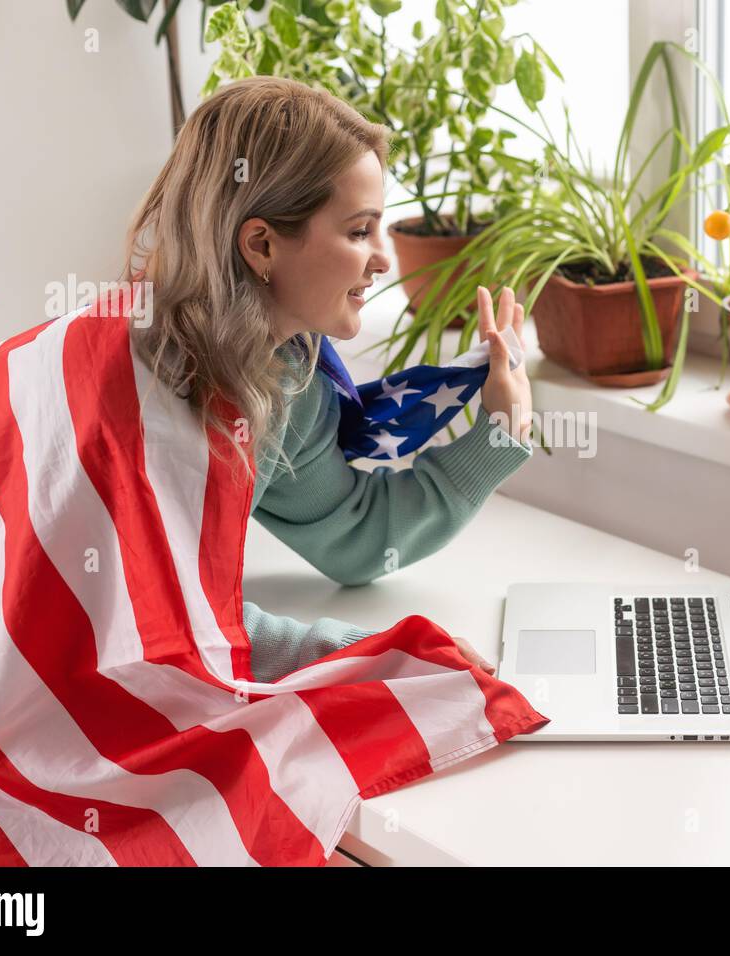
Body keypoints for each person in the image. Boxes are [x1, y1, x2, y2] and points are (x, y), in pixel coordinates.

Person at [125, 76, 533, 683]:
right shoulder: (147, 388)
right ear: (261, 245)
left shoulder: (284, 373)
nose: (384, 259)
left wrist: (498, 431)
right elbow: (168, 620)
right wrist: (376, 653)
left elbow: (357, 537)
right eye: (358, 230)